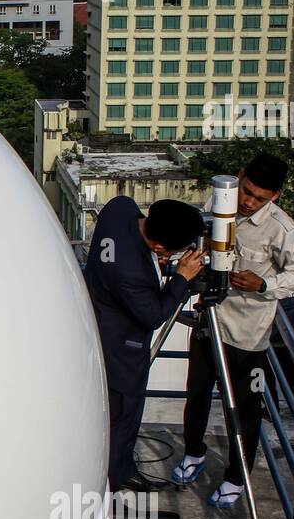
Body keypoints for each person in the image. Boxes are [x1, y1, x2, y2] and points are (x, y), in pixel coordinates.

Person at [172, 153, 294, 507]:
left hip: (249, 335)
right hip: (210, 320)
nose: (248, 202)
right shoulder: (219, 204)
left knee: (245, 410)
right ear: (238, 178)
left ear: (275, 196)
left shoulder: (282, 229)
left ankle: (237, 477)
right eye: (246, 191)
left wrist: (263, 284)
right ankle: (193, 453)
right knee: (197, 393)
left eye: (259, 198)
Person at [85, 197, 205, 493]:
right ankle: (113, 479)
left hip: (96, 316)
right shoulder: (130, 273)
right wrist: (181, 278)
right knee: (122, 416)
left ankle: (117, 469)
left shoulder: (119, 210)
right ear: (160, 247)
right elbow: (154, 315)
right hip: (119, 347)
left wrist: (154, 258)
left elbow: (130, 235)